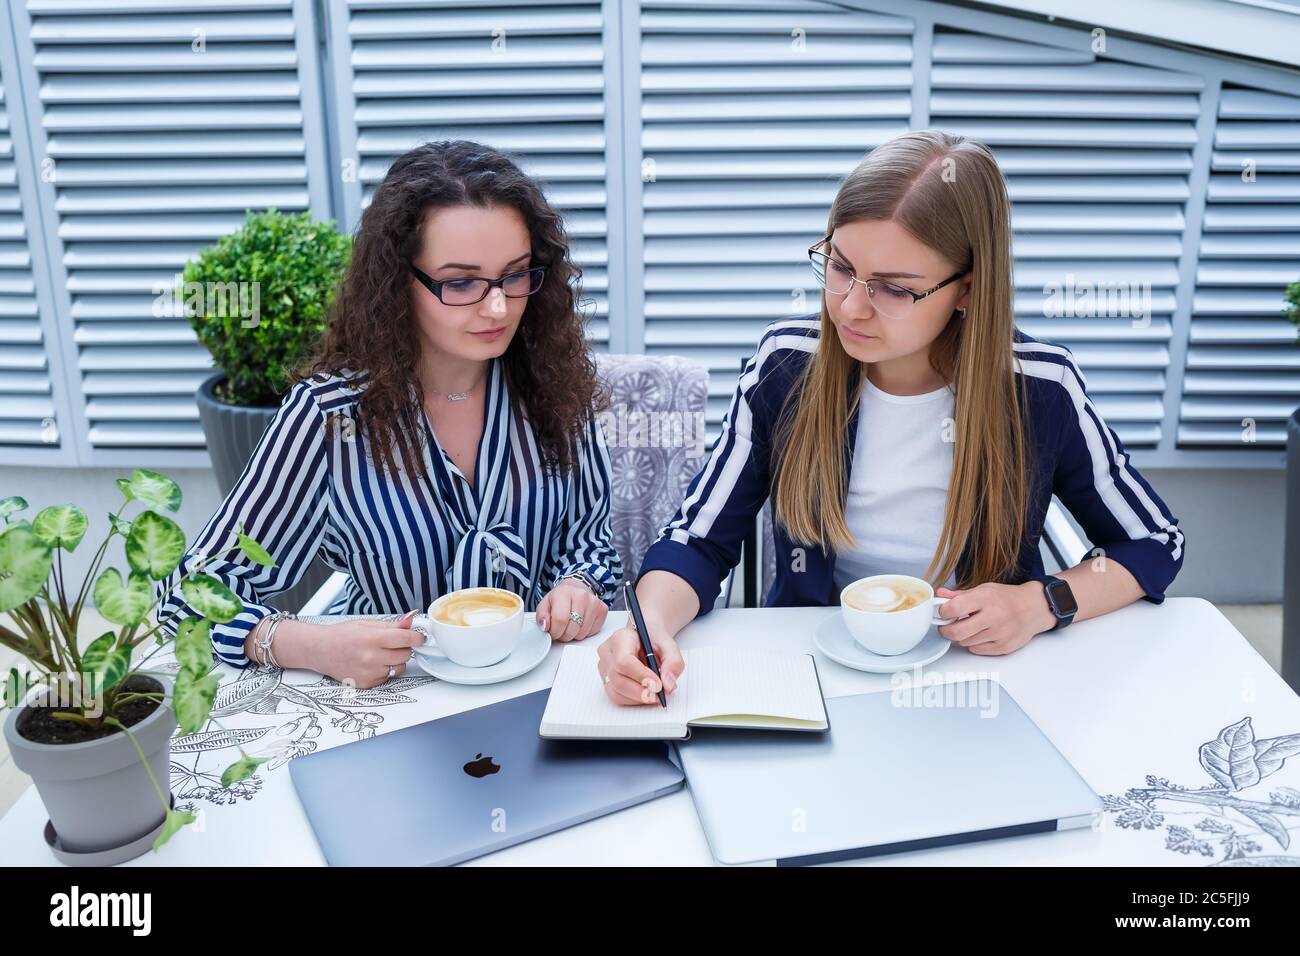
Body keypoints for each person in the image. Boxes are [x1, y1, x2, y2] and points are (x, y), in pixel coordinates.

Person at [598, 129, 1185, 706]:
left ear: (968, 291)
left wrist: (1042, 603)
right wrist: (646, 627)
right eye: (839, 266)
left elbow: (1153, 542)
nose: (850, 306)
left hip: (983, 676)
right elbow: (698, 541)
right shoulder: (785, 370)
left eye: (894, 289)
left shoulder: (1040, 387)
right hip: (814, 670)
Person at [158, 140, 622, 689]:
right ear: (399, 282)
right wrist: (309, 643)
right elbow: (189, 593)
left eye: (515, 275)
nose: (499, 307)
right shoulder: (329, 419)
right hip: (389, 701)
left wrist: (580, 587)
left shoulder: (553, 386)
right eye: (461, 283)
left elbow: (592, 543)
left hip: (541, 691)